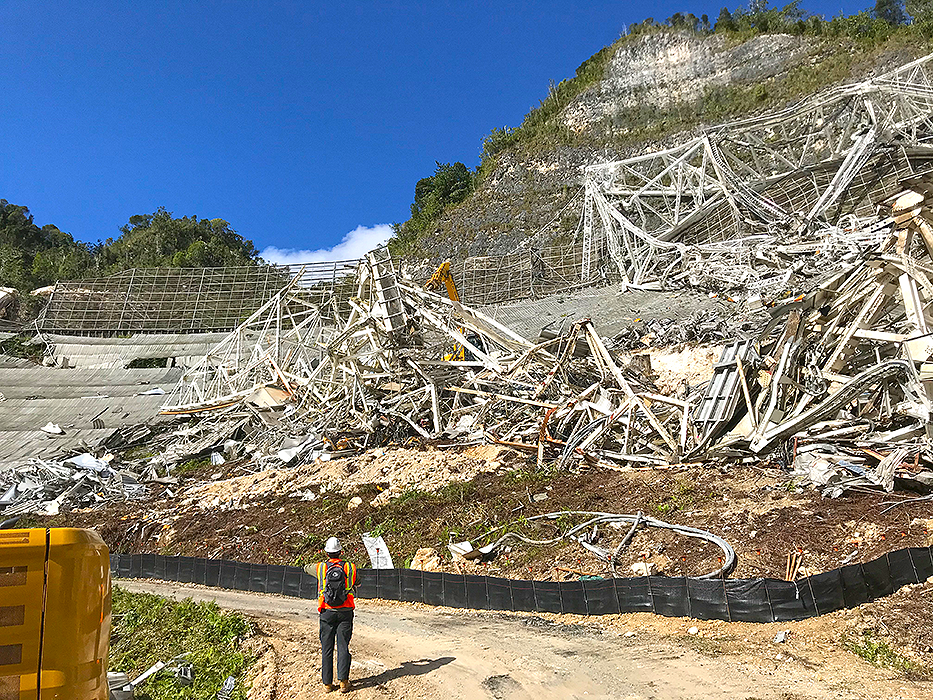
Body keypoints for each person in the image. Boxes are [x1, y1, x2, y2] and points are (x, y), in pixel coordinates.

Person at [314, 537, 358, 693]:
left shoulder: (320, 568)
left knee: (326, 648)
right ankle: (344, 683)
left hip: (326, 611)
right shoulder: (350, 567)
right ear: (341, 551)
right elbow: (356, 581)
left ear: (326, 553)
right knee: (343, 646)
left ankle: (327, 684)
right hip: (345, 612)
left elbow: (306, 568)